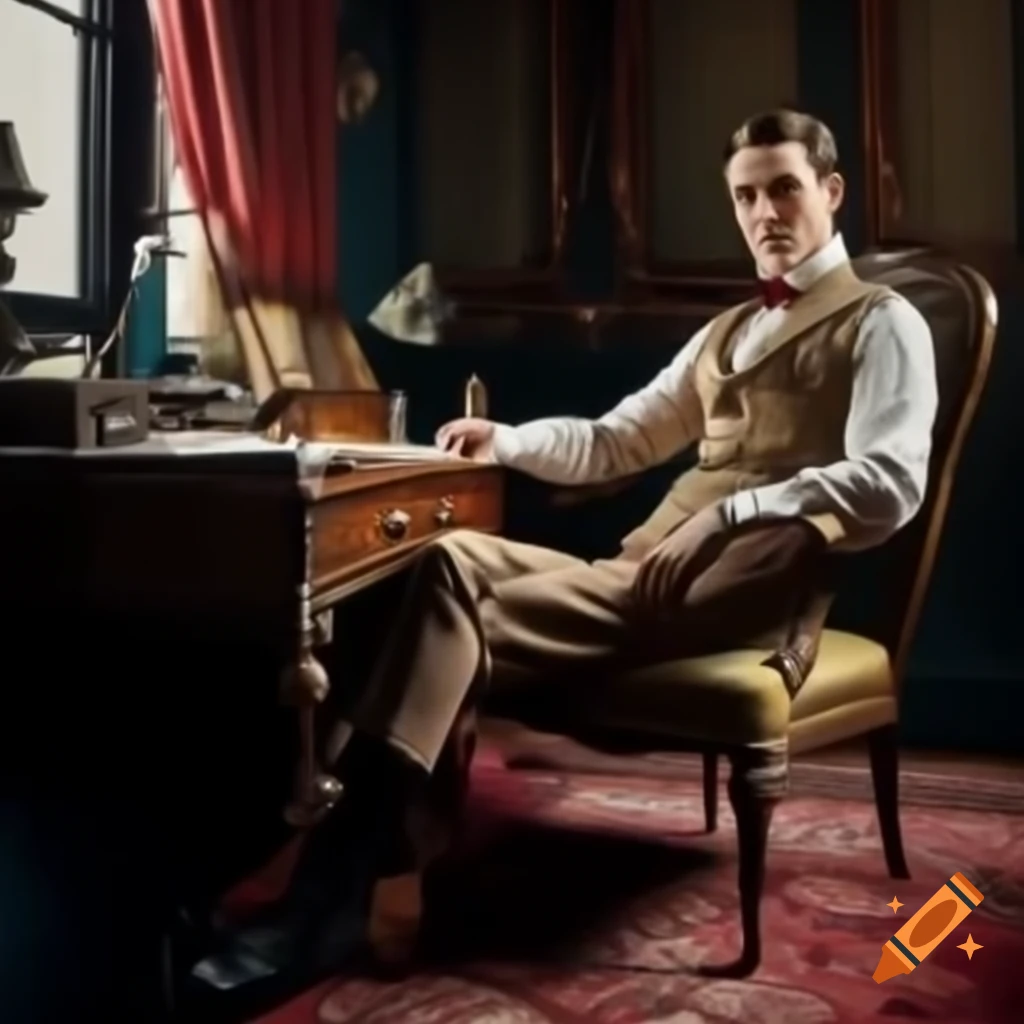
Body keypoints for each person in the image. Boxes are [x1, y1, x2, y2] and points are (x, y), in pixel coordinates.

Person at [198, 108, 938, 990]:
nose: (764, 212)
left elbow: (892, 483)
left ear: (832, 192)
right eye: (745, 196)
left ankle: (309, 887)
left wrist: (735, 511)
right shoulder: (730, 331)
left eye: (784, 187)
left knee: (447, 578)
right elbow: (612, 440)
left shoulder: (885, 322)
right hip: (641, 576)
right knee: (423, 572)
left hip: (744, 588)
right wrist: (504, 439)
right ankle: (315, 875)